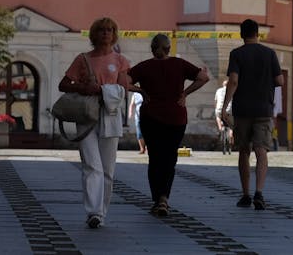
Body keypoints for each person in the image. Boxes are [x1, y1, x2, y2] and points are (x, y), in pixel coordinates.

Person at [59, 17, 131, 229]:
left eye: (110, 30)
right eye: (101, 30)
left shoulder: (120, 61)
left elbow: (123, 89)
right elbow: (63, 84)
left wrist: (100, 89)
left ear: (114, 34)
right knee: (92, 164)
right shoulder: (83, 59)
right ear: (94, 34)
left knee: (107, 168)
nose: (106, 33)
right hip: (86, 114)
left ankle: (101, 212)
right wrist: (82, 87)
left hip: (110, 114)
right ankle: (93, 212)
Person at [128, 34, 209, 217]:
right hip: (176, 118)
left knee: (155, 158)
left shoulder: (144, 66)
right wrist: (185, 93)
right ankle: (164, 198)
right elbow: (203, 77)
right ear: (168, 48)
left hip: (151, 118)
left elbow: (122, 81)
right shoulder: (180, 65)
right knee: (170, 159)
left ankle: (158, 199)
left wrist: (140, 90)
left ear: (152, 48)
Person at [219, 19, 284, 211]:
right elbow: (280, 80)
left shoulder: (236, 54)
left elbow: (233, 81)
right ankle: (259, 193)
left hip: (243, 111)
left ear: (241, 34)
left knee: (244, 151)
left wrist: (225, 107)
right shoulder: (269, 54)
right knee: (261, 150)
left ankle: (245, 194)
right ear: (258, 34)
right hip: (264, 110)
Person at [214, 80, 233, 154]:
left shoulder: (218, 90)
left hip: (219, 109)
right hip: (229, 110)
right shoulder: (231, 90)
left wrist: (216, 109)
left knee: (218, 116)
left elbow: (215, 101)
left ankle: (220, 128)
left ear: (223, 85)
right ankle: (231, 133)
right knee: (231, 125)